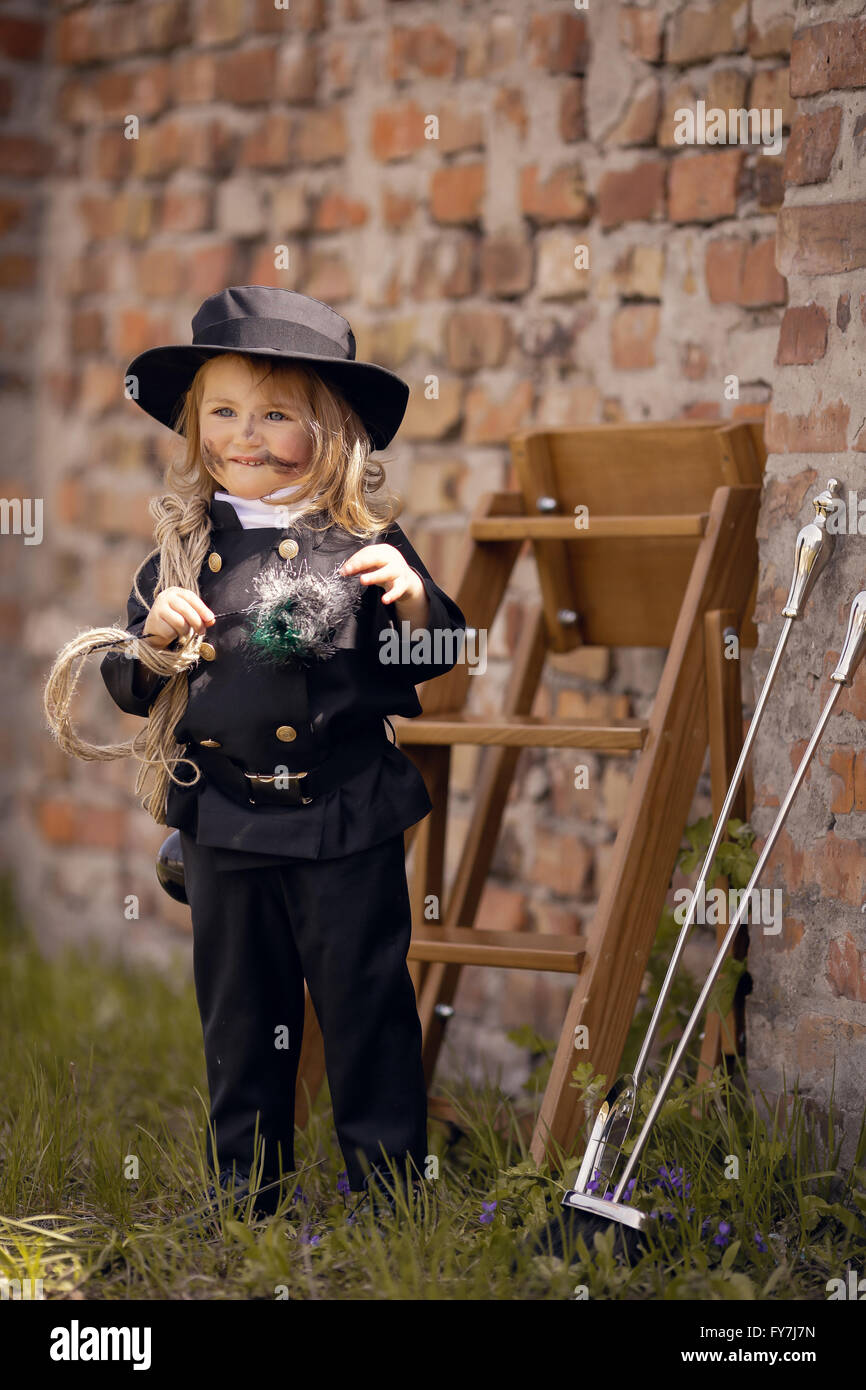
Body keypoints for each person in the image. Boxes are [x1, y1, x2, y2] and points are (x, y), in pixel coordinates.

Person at [43, 286, 467, 1226]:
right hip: (227, 822)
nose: (248, 434)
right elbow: (128, 686)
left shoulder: (367, 544)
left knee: (366, 1008)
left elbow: (432, 664)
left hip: (346, 815)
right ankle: (248, 1196)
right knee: (242, 1018)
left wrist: (411, 602)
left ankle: (392, 1196)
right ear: (197, 428)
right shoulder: (183, 552)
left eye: (276, 413)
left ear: (332, 429)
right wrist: (152, 638)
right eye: (224, 413)